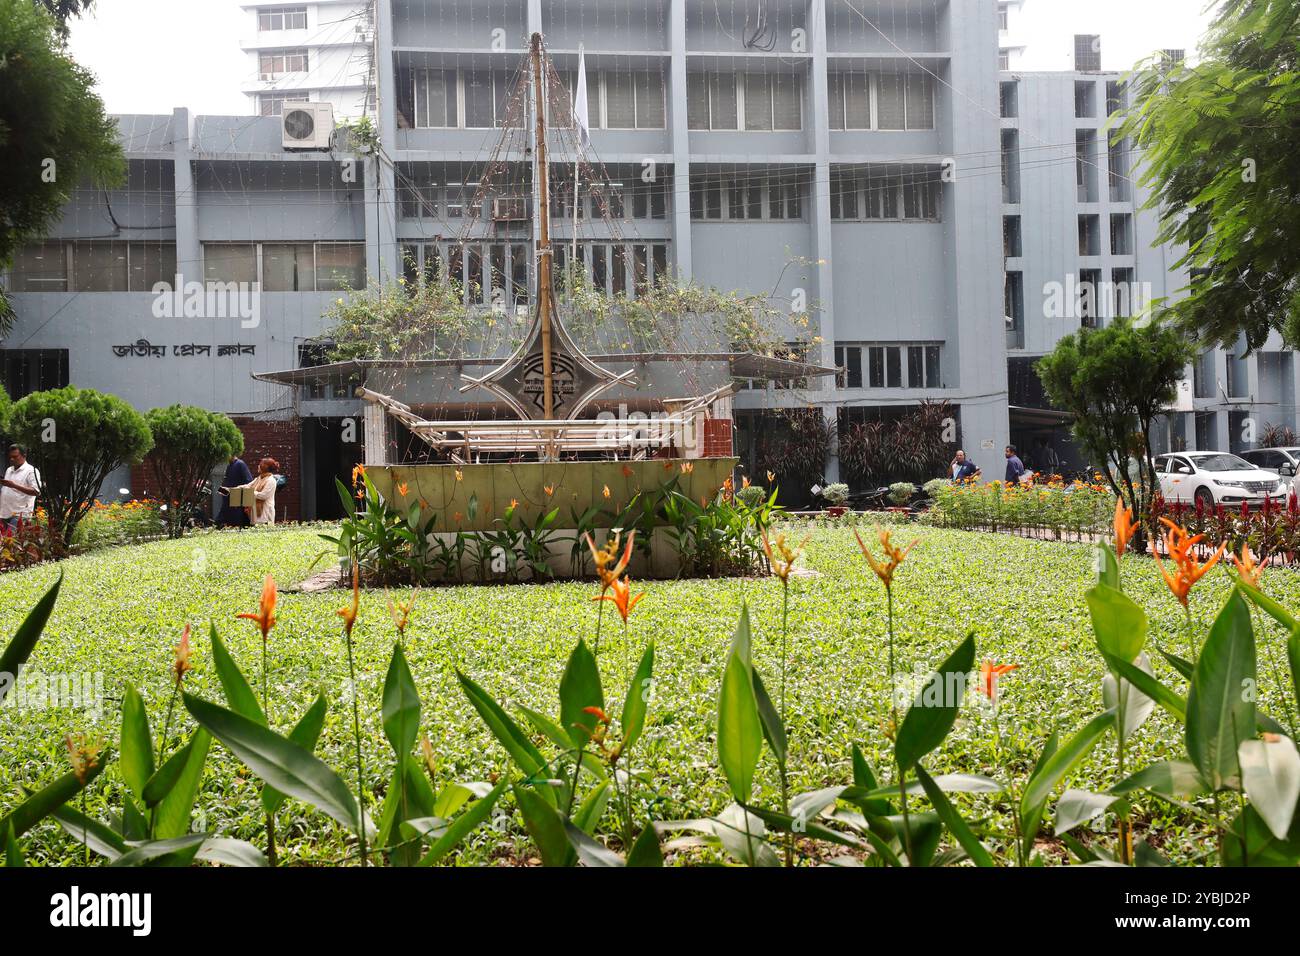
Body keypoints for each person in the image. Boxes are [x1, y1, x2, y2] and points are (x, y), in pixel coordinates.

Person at [220, 457, 279, 526]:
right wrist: (229, 490)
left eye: (260, 465)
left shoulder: (271, 480)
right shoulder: (258, 478)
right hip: (255, 515)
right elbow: (247, 486)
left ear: (265, 467)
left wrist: (249, 492)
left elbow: (263, 496)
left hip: (265, 515)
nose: (258, 466)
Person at [1, 444, 41, 534]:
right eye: (10, 457)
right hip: (5, 512)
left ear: (24, 455)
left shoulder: (31, 471)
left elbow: (36, 491)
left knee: (10, 543)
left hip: (20, 515)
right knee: (4, 544)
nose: (12, 459)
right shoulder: (9, 470)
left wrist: (14, 485)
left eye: (15, 457)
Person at [217, 454, 254, 527]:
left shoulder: (240, 464)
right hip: (229, 500)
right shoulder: (229, 466)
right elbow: (228, 482)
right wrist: (222, 490)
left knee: (236, 523)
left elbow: (249, 483)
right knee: (221, 522)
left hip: (237, 501)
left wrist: (248, 504)